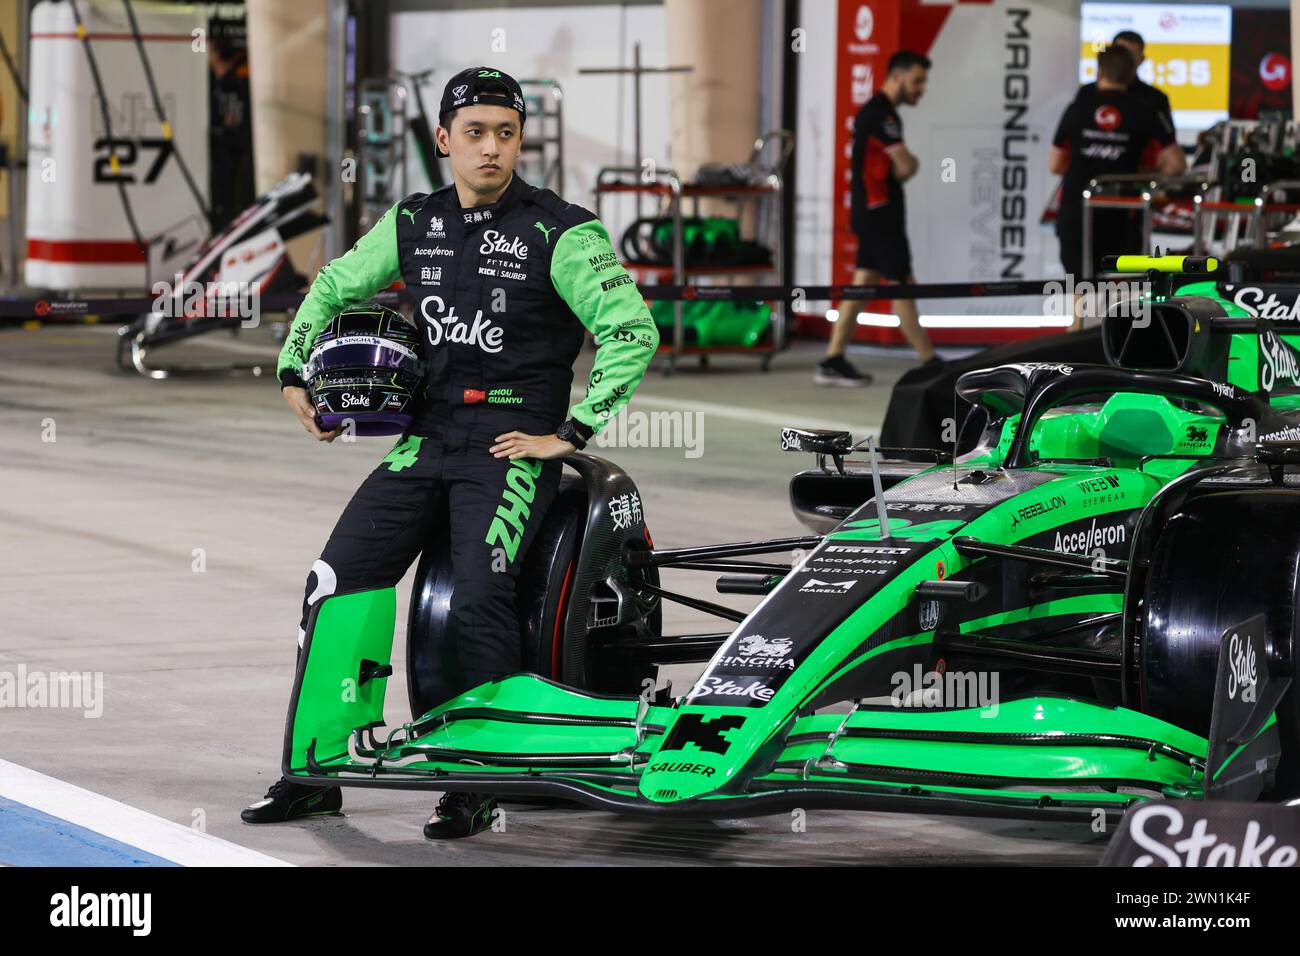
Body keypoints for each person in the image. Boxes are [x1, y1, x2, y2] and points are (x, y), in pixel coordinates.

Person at [241, 66, 659, 839]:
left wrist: (572, 433)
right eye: (475, 133)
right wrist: (293, 371)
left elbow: (632, 331)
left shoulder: (562, 230)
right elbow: (331, 287)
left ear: (520, 140)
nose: (491, 149)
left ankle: (477, 778)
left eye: (506, 133)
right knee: (334, 582)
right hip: (424, 441)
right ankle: (313, 770)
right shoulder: (412, 221)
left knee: (477, 601)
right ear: (444, 140)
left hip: (508, 446)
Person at [818, 50, 937, 388]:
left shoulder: (877, 114)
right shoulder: (882, 116)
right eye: (917, 80)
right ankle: (930, 361)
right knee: (903, 285)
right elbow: (905, 166)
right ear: (896, 77)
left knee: (860, 288)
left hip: (871, 216)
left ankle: (832, 358)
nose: (921, 88)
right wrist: (912, 163)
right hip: (882, 218)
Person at [1050, 45, 1185, 323]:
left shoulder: (1079, 107)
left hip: (1077, 209)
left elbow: (1054, 164)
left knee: (1080, 285)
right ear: (1132, 72)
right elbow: (1176, 164)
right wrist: (1143, 173)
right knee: (1121, 285)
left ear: (1099, 70)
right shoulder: (1145, 110)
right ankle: (1116, 345)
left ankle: (1075, 341)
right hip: (1121, 213)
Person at [1076, 30, 1175, 134]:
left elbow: (1167, 142)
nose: (1124, 61)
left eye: (1130, 56)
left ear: (1142, 59)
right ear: (1110, 55)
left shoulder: (1155, 98)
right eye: (1120, 55)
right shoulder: (1087, 93)